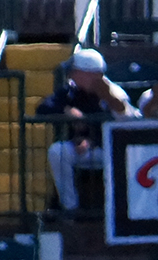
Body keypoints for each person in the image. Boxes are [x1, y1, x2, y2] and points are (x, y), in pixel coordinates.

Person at [35, 48, 132, 214]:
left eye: (75, 71)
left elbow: (124, 129)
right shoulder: (72, 90)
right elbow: (43, 108)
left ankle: (118, 211)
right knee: (58, 152)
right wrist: (67, 110)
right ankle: (70, 209)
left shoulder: (114, 95)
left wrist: (92, 140)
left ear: (89, 74)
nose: (70, 74)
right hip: (90, 152)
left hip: (115, 152)